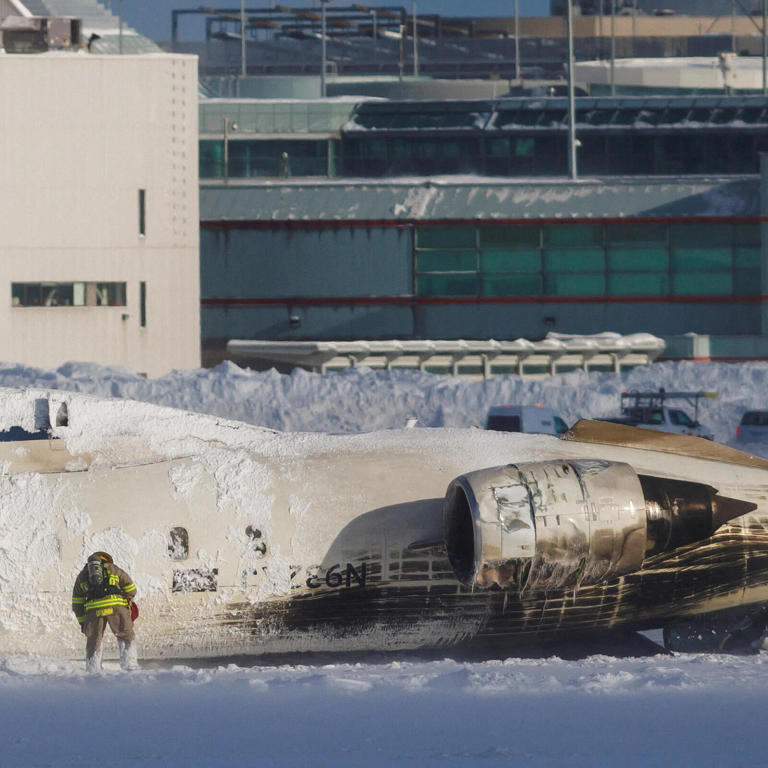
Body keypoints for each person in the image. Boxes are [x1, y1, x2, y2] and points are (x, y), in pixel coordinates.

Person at [71, 551, 138, 672]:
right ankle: (130, 664)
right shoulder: (113, 569)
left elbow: (77, 603)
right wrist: (127, 601)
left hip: (94, 610)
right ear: (106, 560)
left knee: (94, 639)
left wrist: (83, 623)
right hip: (116, 607)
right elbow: (131, 588)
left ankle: (93, 668)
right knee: (125, 635)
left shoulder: (82, 576)